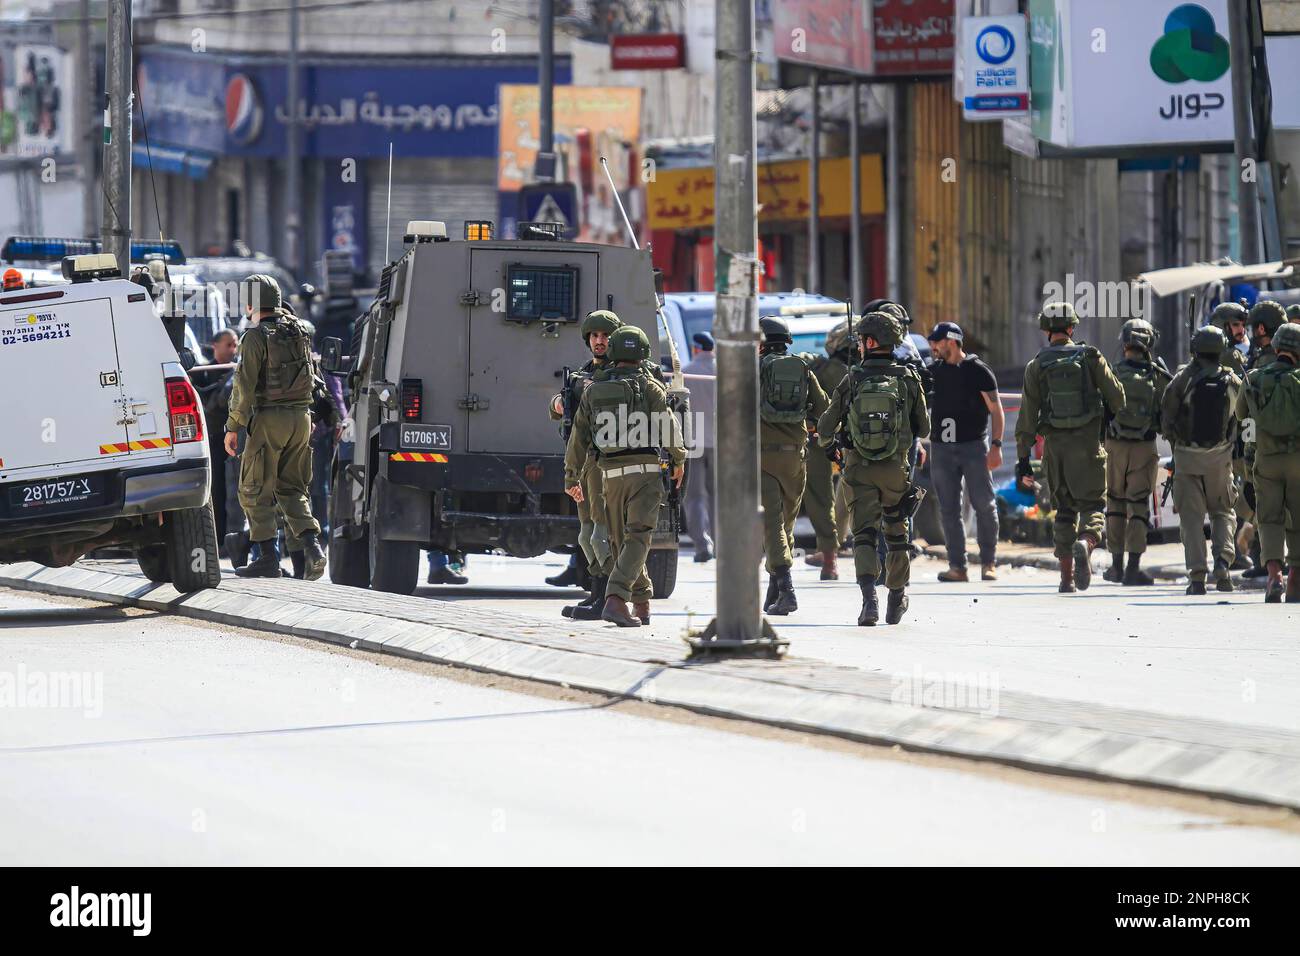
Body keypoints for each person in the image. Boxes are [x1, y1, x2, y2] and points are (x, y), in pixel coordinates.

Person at [565, 325, 684, 628]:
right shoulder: (651, 387)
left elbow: (578, 438)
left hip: (609, 475)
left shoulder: (593, 389)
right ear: (643, 352)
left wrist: (571, 477)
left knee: (621, 542)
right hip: (644, 472)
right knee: (639, 537)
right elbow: (669, 428)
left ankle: (641, 603)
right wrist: (679, 458)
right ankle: (616, 600)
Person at [817, 311, 930, 626]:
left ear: (869, 342)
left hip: (859, 468)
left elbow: (827, 424)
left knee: (864, 534)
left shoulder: (852, 378)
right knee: (897, 532)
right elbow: (924, 427)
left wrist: (830, 446)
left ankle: (870, 602)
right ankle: (897, 599)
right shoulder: (908, 378)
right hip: (896, 468)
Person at [1015, 302, 1125, 593]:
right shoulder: (1090, 356)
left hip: (1055, 451)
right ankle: (1086, 543)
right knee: (1093, 507)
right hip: (1088, 446)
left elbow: (1027, 417)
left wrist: (1023, 460)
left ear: (1045, 330)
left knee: (1063, 511)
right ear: (1072, 328)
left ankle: (1066, 579)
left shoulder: (1036, 365)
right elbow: (1118, 398)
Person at [223, 274, 326, 580]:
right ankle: (313, 548)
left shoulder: (255, 337)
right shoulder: (299, 330)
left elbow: (244, 386)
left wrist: (232, 426)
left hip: (270, 420)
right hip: (301, 418)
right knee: (293, 488)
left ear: (253, 302)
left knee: (254, 488)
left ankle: (268, 557)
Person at [548, 309, 622, 618]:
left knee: (600, 535)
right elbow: (564, 408)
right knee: (586, 534)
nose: (600, 341)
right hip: (583, 460)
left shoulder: (622, 372)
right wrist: (556, 404)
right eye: (595, 336)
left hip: (606, 462)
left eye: (605, 336)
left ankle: (607, 596)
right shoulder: (583, 373)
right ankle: (596, 591)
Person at [1161, 326, 1241, 595]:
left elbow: (1166, 417)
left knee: (1192, 519)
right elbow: (1242, 419)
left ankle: (1197, 578)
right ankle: (1223, 565)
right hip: (1220, 458)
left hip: (1186, 457)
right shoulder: (1232, 382)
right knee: (1223, 512)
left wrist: (1177, 445)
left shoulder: (1182, 379)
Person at [758, 317, 830, 615]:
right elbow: (824, 408)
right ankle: (774, 595)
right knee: (783, 525)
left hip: (762, 458)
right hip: (796, 459)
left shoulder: (754, 369)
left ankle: (786, 590)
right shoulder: (802, 368)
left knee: (773, 526)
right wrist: (808, 423)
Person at [926, 321, 1004, 582]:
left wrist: (996, 446)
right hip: (942, 448)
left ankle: (989, 562)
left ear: (952, 341)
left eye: (937, 341)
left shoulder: (977, 370)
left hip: (973, 447)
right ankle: (957, 566)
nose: (933, 346)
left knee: (984, 504)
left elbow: (997, 411)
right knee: (948, 509)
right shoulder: (932, 371)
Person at [1101, 318, 1170, 586]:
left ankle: (1115, 567)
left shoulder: (1112, 372)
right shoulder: (1156, 375)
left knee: (1115, 504)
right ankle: (1133, 569)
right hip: (1144, 446)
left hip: (1115, 446)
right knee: (1138, 506)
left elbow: (1101, 408)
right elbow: (1169, 409)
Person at [1237, 321, 1300, 603]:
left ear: (1276, 347)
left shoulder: (1254, 378)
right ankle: (1296, 581)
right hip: (1298, 459)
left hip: (1266, 460)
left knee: (1269, 519)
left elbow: (1241, 416)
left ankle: (1275, 575)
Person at [802, 323, 855, 579]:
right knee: (830, 500)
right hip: (845, 443)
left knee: (817, 498)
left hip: (815, 440)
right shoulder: (857, 374)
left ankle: (828, 559)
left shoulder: (822, 368)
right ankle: (831, 560)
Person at [683, 330, 716, 563]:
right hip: (720, 441)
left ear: (695, 348)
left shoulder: (684, 372)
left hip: (693, 440)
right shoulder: (724, 372)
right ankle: (722, 544)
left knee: (694, 496)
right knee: (718, 495)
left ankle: (702, 545)